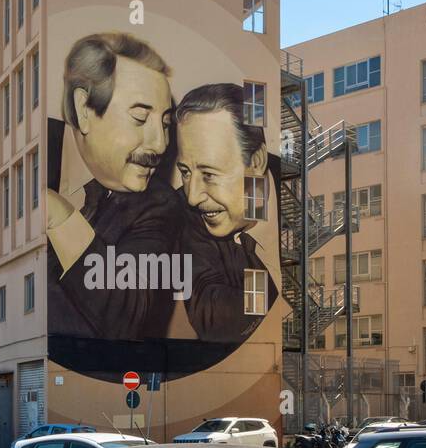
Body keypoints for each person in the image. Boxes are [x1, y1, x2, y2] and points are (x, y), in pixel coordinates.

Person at [45, 32, 182, 339]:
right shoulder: (27, 156)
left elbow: (130, 316)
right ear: (83, 110)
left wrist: (62, 218)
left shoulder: (159, 205)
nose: (160, 144)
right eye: (139, 117)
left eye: (165, 123)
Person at [172, 83, 278, 342]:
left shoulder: (295, 194)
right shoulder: (184, 214)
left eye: (208, 174)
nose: (193, 196)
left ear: (255, 162)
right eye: (186, 172)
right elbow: (214, 318)